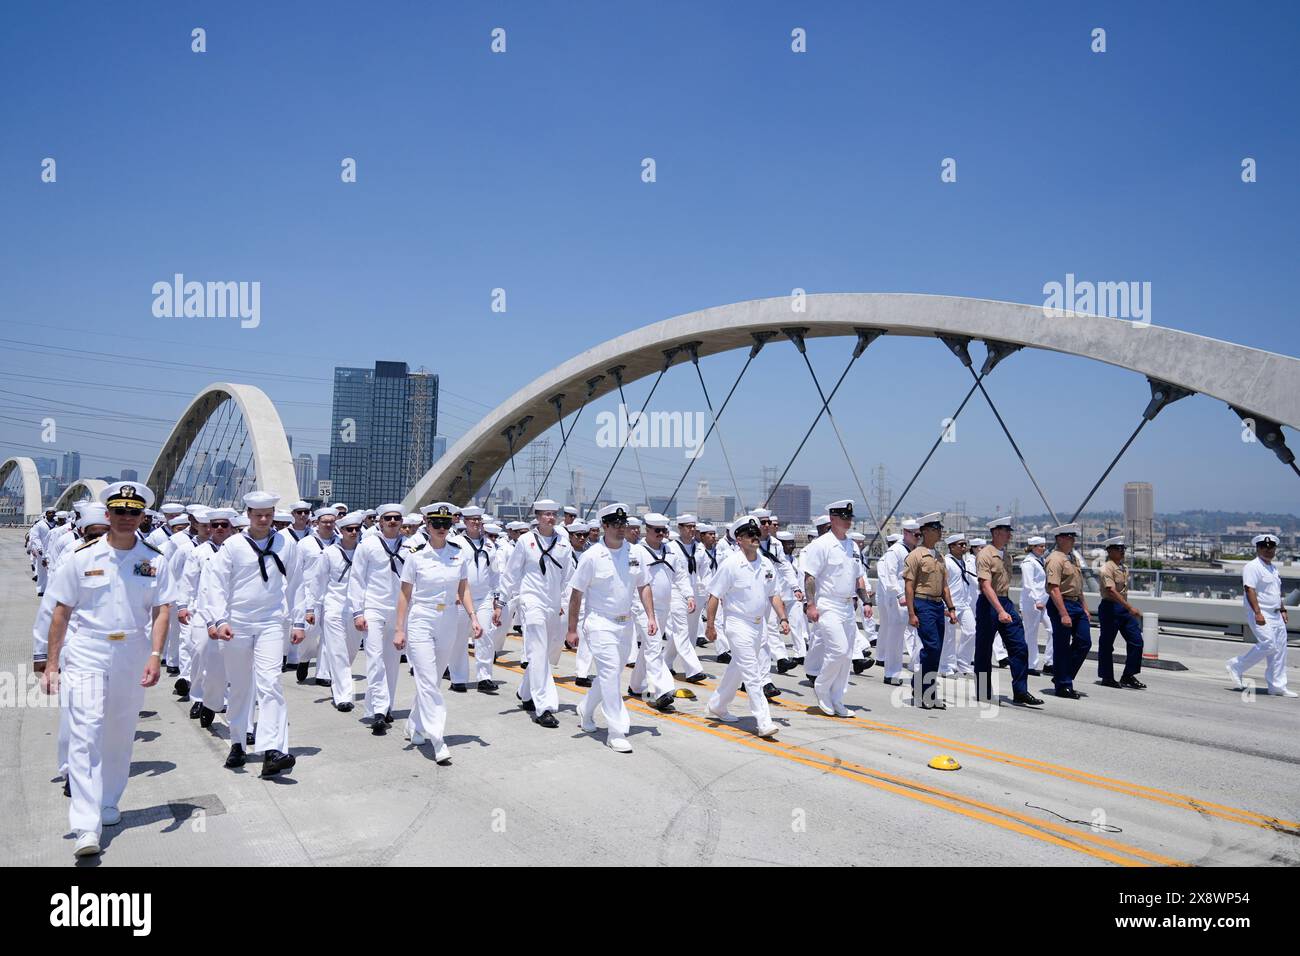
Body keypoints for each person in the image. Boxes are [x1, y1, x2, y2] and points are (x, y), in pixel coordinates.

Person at [40, 482, 172, 858]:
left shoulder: (155, 559)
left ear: (142, 516)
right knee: (85, 731)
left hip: (132, 650)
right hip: (87, 650)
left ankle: (109, 800)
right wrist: (51, 663)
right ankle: (84, 824)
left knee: (119, 730)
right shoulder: (82, 558)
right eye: (120, 512)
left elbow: (163, 608)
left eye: (134, 513)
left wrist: (155, 654)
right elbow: (61, 611)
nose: (127, 519)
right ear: (108, 515)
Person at [204, 491, 306, 775]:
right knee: (239, 686)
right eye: (258, 514)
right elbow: (216, 584)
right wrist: (219, 620)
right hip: (237, 623)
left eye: (269, 514)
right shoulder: (233, 545)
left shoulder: (287, 543)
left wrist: (298, 622)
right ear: (247, 514)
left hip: (271, 621)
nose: (264, 519)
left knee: (271, 682)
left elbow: (298, 583)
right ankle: (238, 741)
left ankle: (273, 749)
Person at [394, 503, 480, 762]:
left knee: (433, 678)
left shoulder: (458, 553)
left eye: (446, 524)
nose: (442, 529)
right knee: (428, 679)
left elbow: (463, 589)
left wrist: (473, 617)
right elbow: (404, 595)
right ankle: (437, 737)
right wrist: (399, 628)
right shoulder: (416, 555)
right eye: (436, 524)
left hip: (449, 619)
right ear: (427, 526)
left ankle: (415, 724)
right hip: (422, 617)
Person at [566, 504, 655, 752]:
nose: (620, 528)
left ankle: (585, 709)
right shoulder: (592, 556)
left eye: (623, 524)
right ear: (604, 526)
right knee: (609, 675)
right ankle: (616, 731)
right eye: (615, 524)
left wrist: (651, 616)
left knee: (612, 674)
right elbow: (576, 594)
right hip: (599, 623)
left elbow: (644, 585)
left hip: (625, 624)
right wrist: (572, 629)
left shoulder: (635, 553)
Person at [704, 515, 788, 737]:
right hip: (737, 624)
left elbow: (774, 594)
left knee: (738, 668)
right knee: (753, 673)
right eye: (750, 535)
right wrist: (710, 626)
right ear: (739, 539)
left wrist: (783, 618)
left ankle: (718, 704)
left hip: (758, 626)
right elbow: (714, 596)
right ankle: (764, 721)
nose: (755, 538)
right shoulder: (731, 564)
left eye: (756, 534)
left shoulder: (766, 563)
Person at [502, 499, 573, 728]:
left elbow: (568, 576)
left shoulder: (563, 541)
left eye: (553, 514)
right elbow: (512, 573)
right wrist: (500, 600)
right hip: (531, 601)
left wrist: (564, 601)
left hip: (553, 603)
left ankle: (525, 691)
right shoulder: (525, 540)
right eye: (545, 514)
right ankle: (545, 707)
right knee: (538, 651)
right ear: (537, 516)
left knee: (546, 650)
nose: (549, 518)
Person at [801, 500, 872, 717]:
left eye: (850, 517)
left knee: (847, 654)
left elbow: (858, 577)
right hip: (827, 604)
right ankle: (821, 686)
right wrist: (811, 604)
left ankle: (838, 698)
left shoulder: (851, 546)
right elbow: (809, 576)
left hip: (847, 605)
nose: (848, 521)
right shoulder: (821, 545)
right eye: (843, 517)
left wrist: (866, 601)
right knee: (838, 650)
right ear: (832, 519)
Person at [348, 503, 409, 734]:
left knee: (392, 661)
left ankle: (387, 705)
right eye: (388, 518)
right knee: (374, 658)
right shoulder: (368, 544)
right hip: (373, 607)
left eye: (396, 518)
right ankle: (378, 711)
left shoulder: (411, 546)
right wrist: (357, 611)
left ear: (401, 522)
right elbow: (357, 579)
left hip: (399, 610)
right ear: (380, 522)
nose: (392, 522)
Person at [974, 517, 1043, 707]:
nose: (1010, 535)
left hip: (1005, 601)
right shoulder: (985, 555)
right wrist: (1000, 611)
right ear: (996, 532)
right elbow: (985, 586)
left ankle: (1020, 691)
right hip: (990, 604)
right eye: (1006, 531)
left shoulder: (1006, 555)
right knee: (984, 649)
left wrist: (1006, 609)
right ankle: (983, 691)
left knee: (1019, 646)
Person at [628, 513, 691, 712]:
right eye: (657, 531)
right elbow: (630, 578)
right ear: (648, 530)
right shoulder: (636, 551)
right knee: (654, 646)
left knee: (649, 645)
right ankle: (663, 690)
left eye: (664, 531)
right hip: (642, 606)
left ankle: (636, 686)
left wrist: (688, 595)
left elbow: (680, 575)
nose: (661, 534)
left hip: (664, 606)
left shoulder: (670, 551)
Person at [1226, 533, 1295, 697]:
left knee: (1279, 650)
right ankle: (1237, 665)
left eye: (1271, 548)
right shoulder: (1252, 566)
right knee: (1269, 644)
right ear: (1257, 549)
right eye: (1264, 547)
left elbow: (1275, 592)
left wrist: (1283, 609)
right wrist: (1257, 613)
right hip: (1260, 612)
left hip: (1276, 613)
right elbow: (1249, 589)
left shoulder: (1273, 568)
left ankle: (1277, 686)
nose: (1268, 550)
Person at [309, 510, 364, 711]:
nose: (353, 532)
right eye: (349, 529)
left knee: (350, 651)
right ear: (341, 531)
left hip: (357, 609)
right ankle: (343, 695)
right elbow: (317, 583)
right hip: (334, 608)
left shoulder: (363, 552)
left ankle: (339, 681)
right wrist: (311, 608)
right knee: (338, 652)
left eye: (357, 529)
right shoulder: (329, 553)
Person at [903, 514, 959, 709]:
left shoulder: (940, 557)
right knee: (932, 647)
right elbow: (909, 586)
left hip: (937, 606)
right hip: (922, 603)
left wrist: (951, 608)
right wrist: (911, 613)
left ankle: (924, 687)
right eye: (936, 529)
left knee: (936, 651)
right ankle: (925, 691)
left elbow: (945, 587)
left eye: (940, 529)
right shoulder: (916, 555)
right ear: (925, 531)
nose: (939, 532)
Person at [456, 506, 505, 694]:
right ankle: (458, 677)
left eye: (479, 520)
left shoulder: (489, 544)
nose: (476, 523)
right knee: (459, 638)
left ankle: (484, 677)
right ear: (465, 522)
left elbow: (494, 573)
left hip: (484, 596)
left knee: (485, 636)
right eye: (472, 520)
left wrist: (496, 597)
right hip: (461, 596)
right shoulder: (456, 542)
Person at [1044, 524, 1091, 699]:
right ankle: (1064, 685)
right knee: (1062, 646)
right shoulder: (1055, 559)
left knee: (1084, 642)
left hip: (1075, 604)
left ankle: (1061, 676)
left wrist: (1085, 607)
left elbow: (1078, 586)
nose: (1072, 541)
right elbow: (1054, 588)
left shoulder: (1072, 558)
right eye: (1069, 537)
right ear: (1059, 539)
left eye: (1073, 538)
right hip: (1061, 604)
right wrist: (1063, 613)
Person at [1096, 536, 1146, 689]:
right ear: (1110, 551)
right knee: (1107, 644)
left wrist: (1127, 608)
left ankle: (1128, 675)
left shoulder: (1123, 568)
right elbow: (1111, 591)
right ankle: (1107, 677)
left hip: (1122, 609)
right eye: (1119, 549)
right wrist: (1130, 608)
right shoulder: (1106, 569)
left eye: (1124, 549)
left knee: (1136, 641)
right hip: (1110, 608)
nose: (1122, 552)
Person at [939, 533, 976, 678]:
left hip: (964, 603)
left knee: (971, 631)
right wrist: (945, 606)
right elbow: (943, 584)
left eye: (965, 544)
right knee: (949, 636)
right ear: (951, 547)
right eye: (961, 545)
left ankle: (963, 664)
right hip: (950, 603)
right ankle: (945, 666)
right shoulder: (946, 562)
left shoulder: (965, 562)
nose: (964, 547)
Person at [1019, 537, 1049, 675]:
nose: (1043, 548)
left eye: (1044, 546)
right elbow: (1028, 584)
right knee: (1031, 634)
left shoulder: (1041, 561)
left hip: (1043, 601)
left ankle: (1049, 662)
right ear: (1032, 547)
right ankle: (1030, 664)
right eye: (1040, 546)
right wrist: (1037, 600)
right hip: (1032, 603)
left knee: (1053, 630)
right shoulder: (1028, 562)